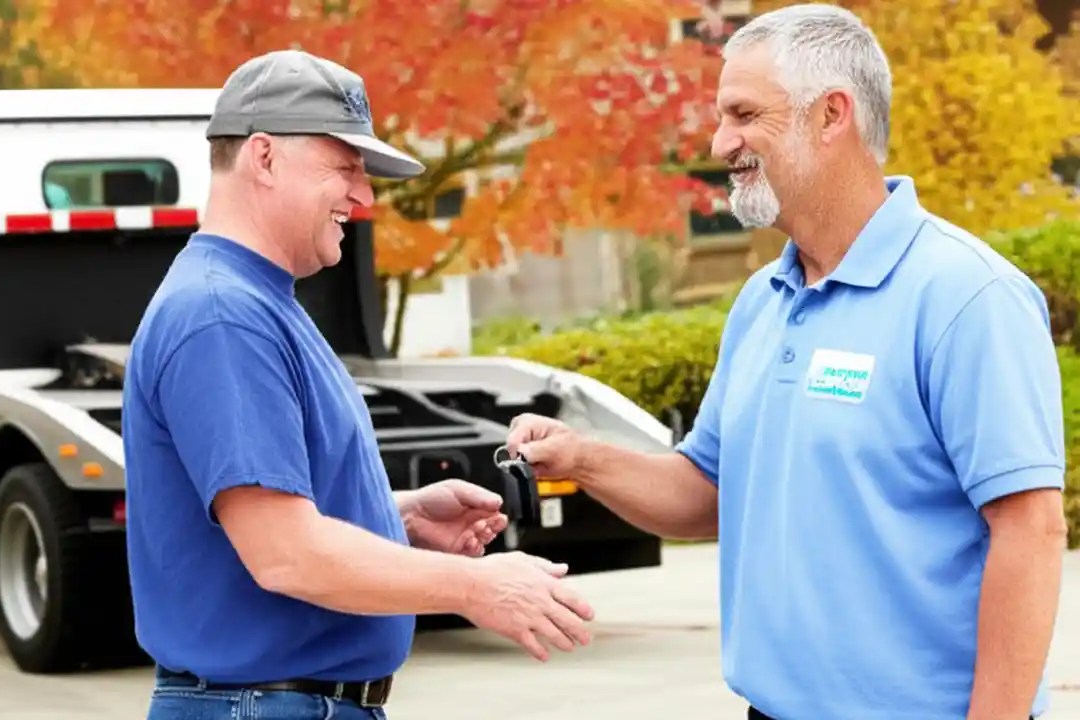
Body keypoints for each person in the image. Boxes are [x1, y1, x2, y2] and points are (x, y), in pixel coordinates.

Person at [506, 5, 1069, 720]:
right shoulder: (761, 302)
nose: (720, 141)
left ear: (832, 115)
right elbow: (706, 489)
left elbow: (1030, 529)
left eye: (744, 114)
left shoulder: (966, 296)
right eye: (721, 117)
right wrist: (582, 459)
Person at [121, 49, 594, 720]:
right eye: (345, 168)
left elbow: (266, 519)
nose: (364, 195)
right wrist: (475, 587)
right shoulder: (223, 317)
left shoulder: (257, 301)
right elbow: (285, 556)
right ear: (263, 158)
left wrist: (397, 517)